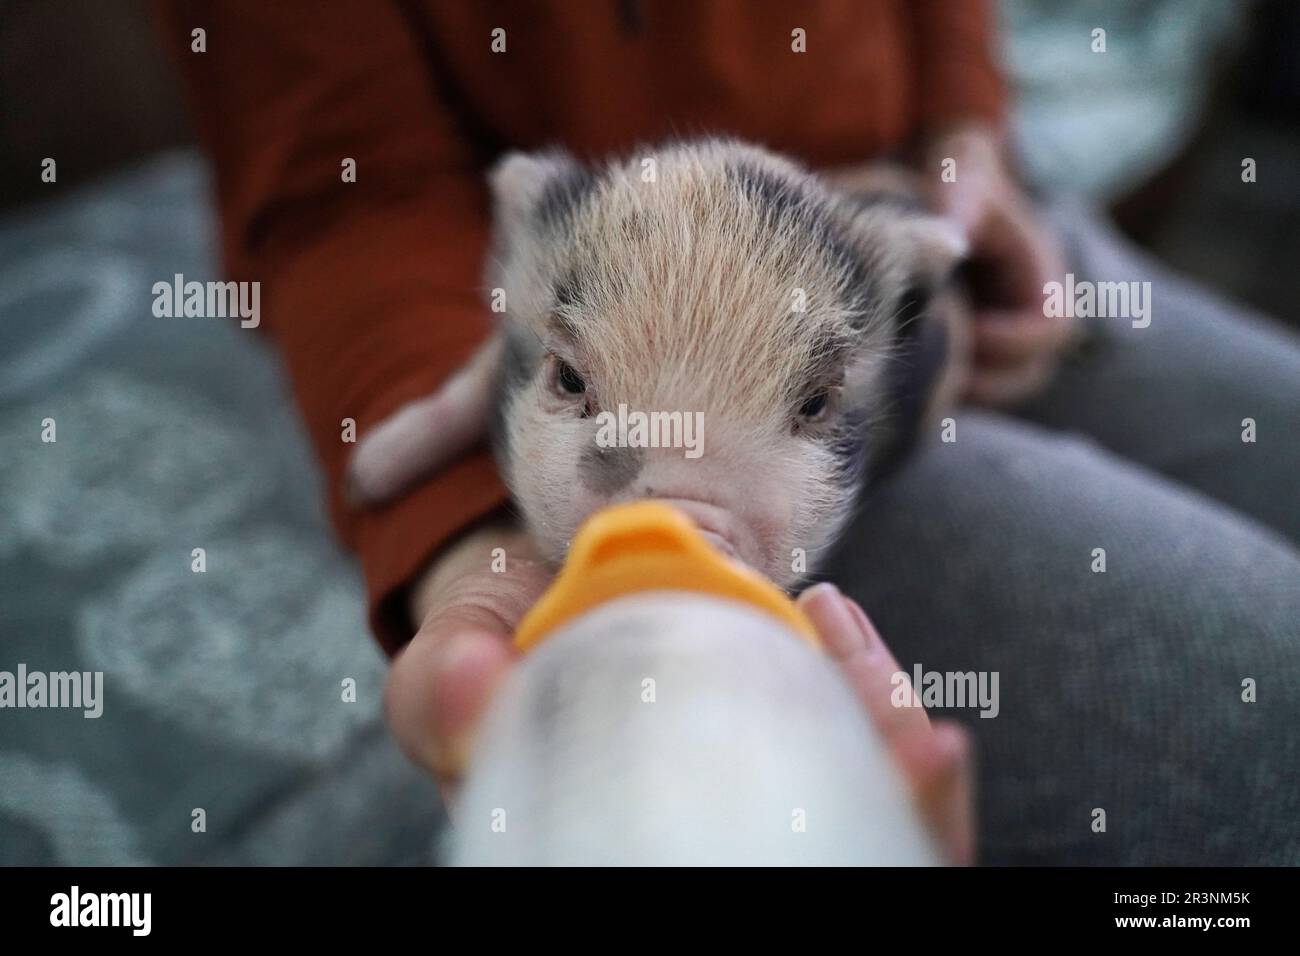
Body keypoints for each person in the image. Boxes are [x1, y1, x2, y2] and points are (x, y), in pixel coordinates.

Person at [162, 1, 1300, 864]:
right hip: (699, 326)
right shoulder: (534, 270)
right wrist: (463, 539)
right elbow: (343, 194)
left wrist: (970, 138)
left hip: (913, 237)